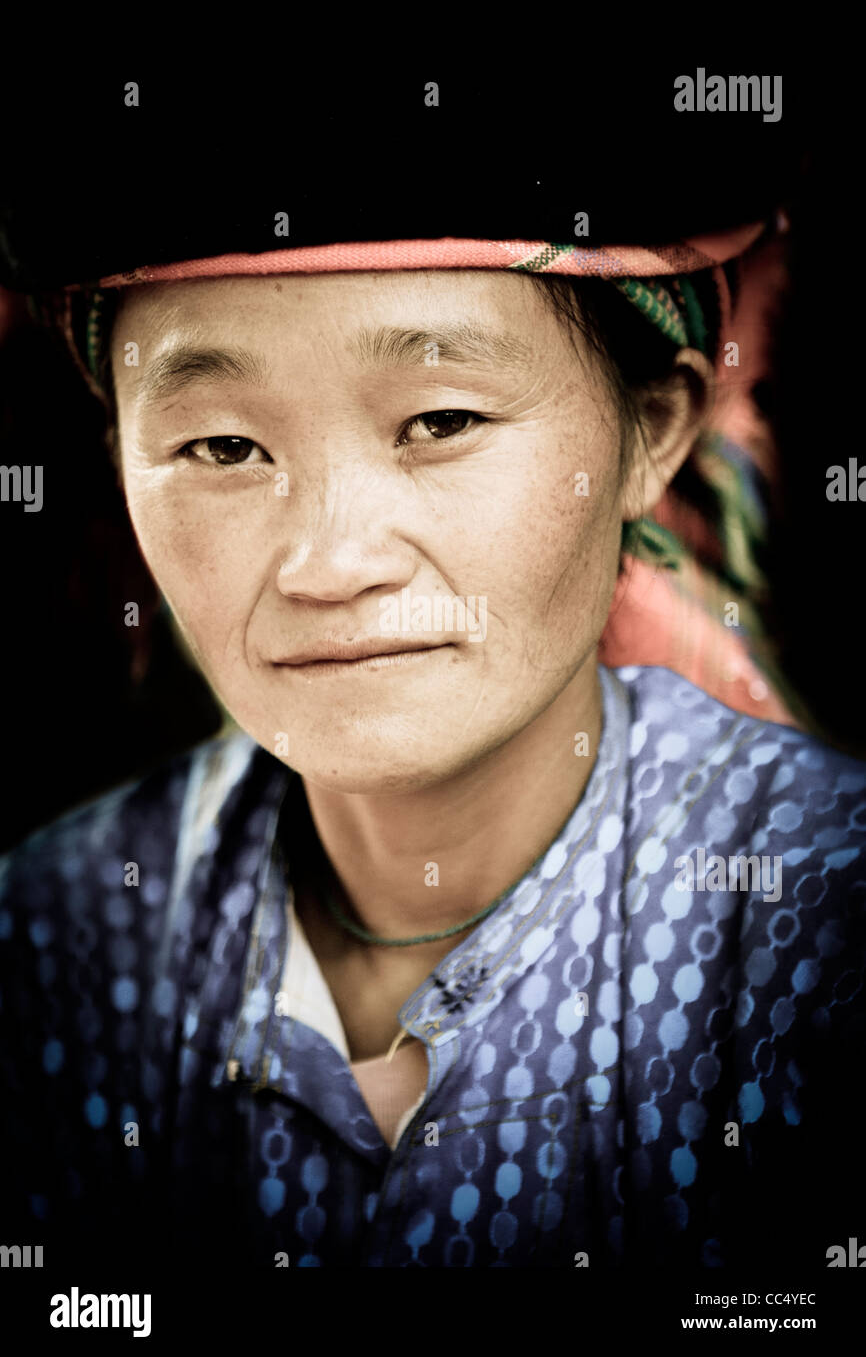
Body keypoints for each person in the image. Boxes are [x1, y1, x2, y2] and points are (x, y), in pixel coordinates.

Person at [1, 229, 864, 1271]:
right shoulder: (49, 938)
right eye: (224, 447)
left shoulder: (824, 924)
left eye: (441, 420)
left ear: (649, 430)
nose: (328, 562)